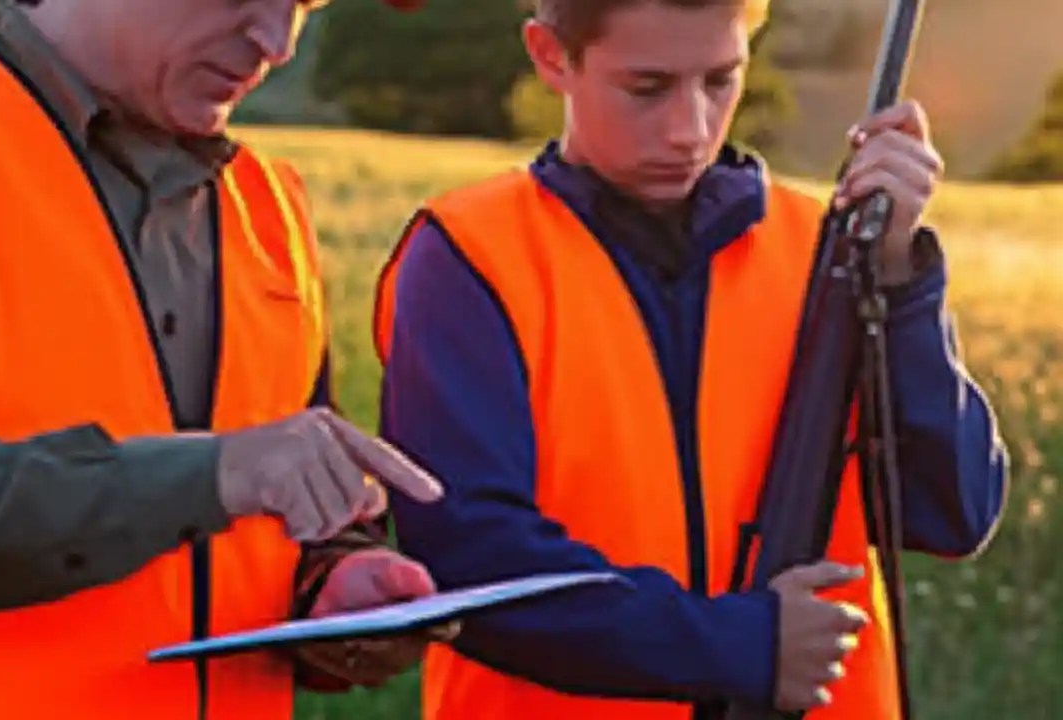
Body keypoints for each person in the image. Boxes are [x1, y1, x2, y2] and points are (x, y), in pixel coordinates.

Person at [0, 0, 453, 718]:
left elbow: (291, 500)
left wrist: (334, 585)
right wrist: (213, 474)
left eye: (304, 3)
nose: (276, 41)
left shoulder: (269, 206)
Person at [373, 0, 1009, 718]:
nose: (690, 129)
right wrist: (738, 646)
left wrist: (900, 284)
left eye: (720, 81)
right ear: (551, 55)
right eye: (648, 88)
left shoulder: (823, 252)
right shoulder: (469, 257)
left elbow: (952, 513)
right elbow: (471, 557)